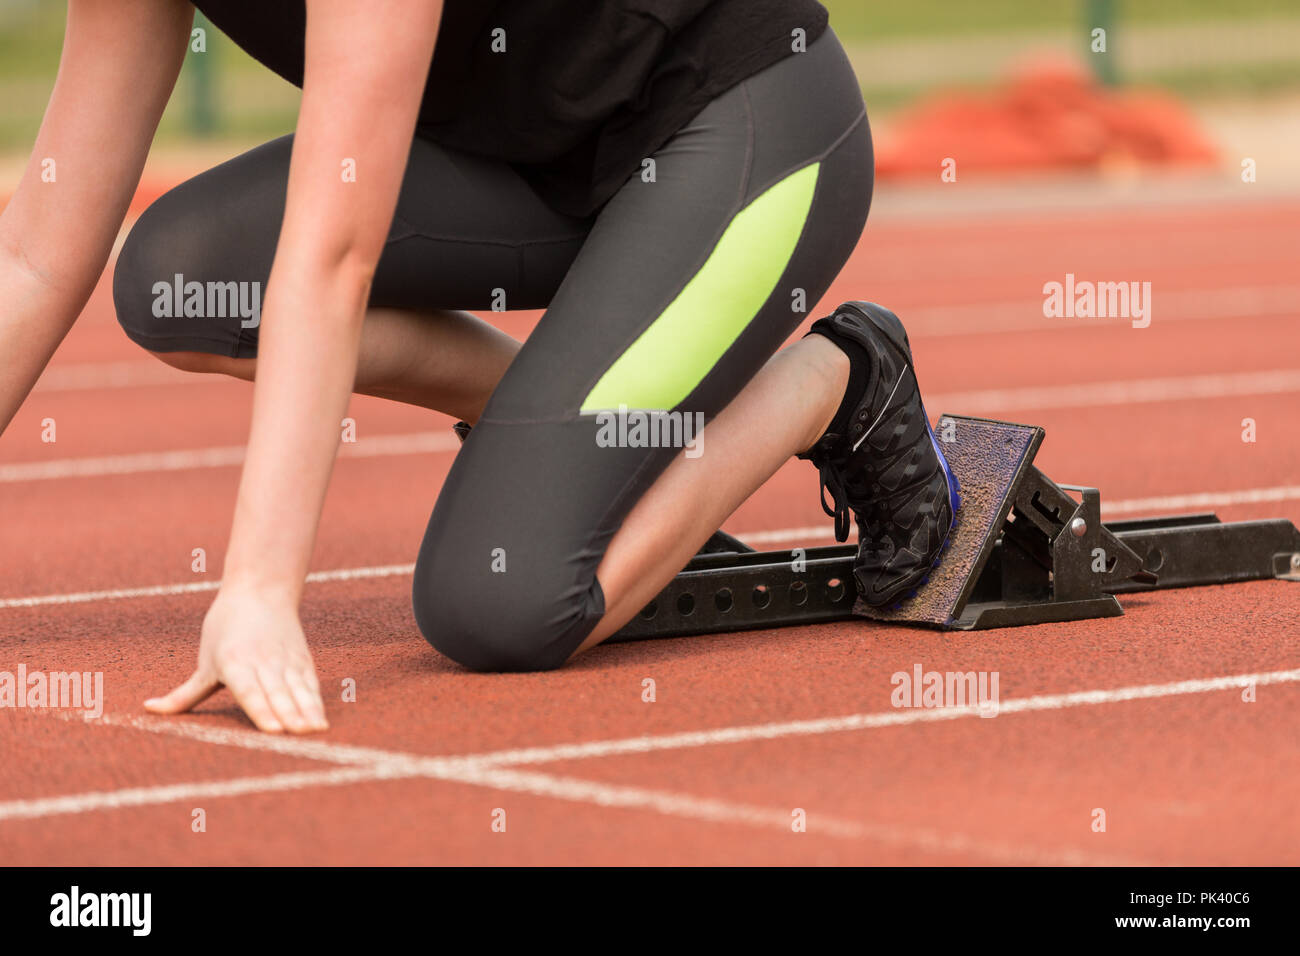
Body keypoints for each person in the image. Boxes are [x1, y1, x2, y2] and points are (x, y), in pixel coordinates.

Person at [0, 0, 957, 735]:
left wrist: (255, 590)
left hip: (742, 134)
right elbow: (35, 255)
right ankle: (578, 439)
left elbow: (333, 256)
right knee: (181, 285)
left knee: (503, 602)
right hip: (525, 171)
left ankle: (839, 384)